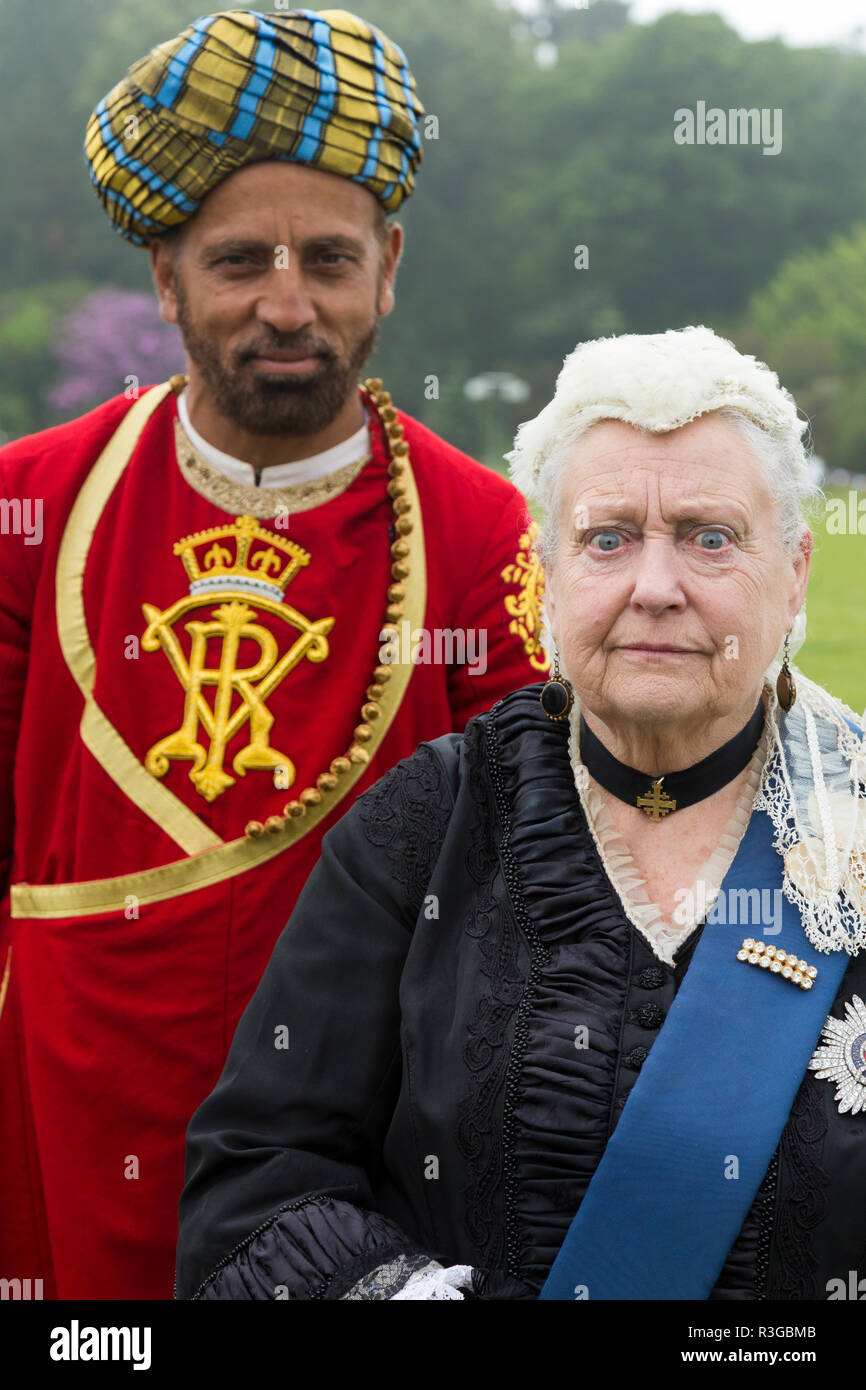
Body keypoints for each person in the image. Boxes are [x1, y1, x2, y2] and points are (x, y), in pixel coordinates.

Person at [0, 8, 547, 1301]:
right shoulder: (29, 508)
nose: (286, 304)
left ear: (390, 265)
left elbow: (522, 892)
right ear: (166, 277)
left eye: (329, 259)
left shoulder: (486, 533)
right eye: (240, 260)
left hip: (364, 1138)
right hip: (73, 1121)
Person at [176, 326, 866, 1301]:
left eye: (709, 538)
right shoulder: (418, 830)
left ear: (792, 570)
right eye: (607, 538)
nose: (654, 588)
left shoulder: (856, 813)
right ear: (546, 570)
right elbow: (256, 1173)